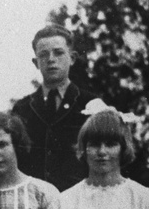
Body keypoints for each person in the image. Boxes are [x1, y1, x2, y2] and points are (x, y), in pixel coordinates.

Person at [12, 25, 101, 191]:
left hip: (79, 202)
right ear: (35, 62)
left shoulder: (91, 104)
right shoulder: (22, 109)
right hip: (33, 201)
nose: (51, 59)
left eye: (58, 53)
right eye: (43, 54)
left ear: (72, 58)